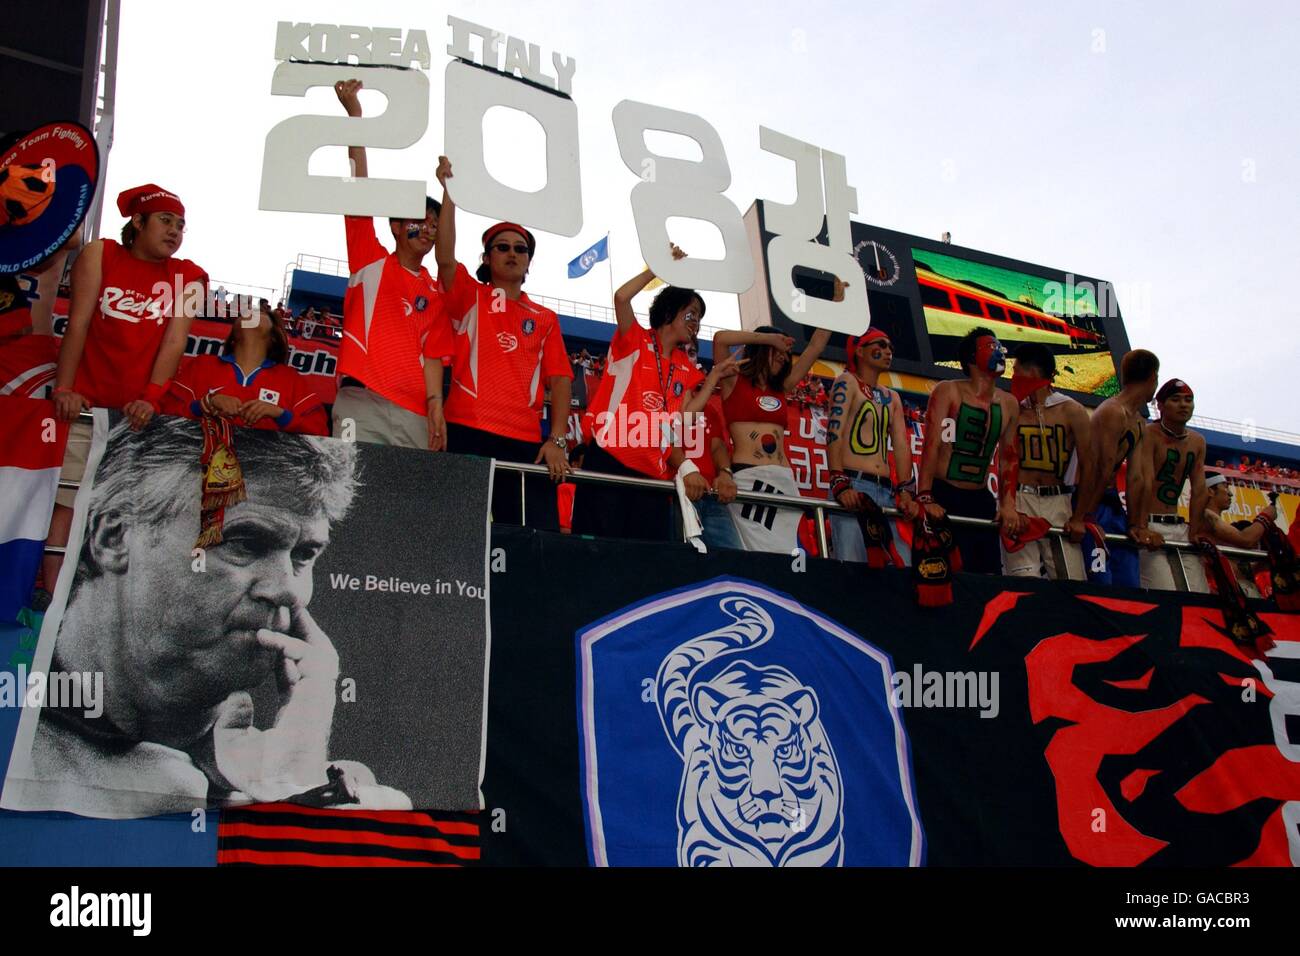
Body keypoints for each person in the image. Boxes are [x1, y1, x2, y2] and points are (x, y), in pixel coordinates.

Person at [10, 416, 409, 816]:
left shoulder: (338, 786)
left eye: (303, 555)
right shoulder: (12, 724)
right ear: (113, 536)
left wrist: (296, 782)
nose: (289, 589)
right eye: (245, 541)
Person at [46, 184, 207, 591]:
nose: (175, 231)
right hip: (87, 409)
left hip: (142, 422)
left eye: (181, 225)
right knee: (65, 504)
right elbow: (78, 323)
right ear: (137, 222)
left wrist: (150, 398)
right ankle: (47, 599)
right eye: (166, 220)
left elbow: (176, 341)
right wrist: (64, 388)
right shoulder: (101, 254)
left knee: (127, 519)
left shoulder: (190, 276)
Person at [431, 155, 573, 528]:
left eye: (520, 249)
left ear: (529, 262)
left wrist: (556, 440)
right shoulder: (470, 296)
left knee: (529, 541)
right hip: (466, 431)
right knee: (456, 534)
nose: (512, 253)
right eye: (502, 247)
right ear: (487, 257)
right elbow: (445, 259)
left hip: (525, 442)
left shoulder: (545, 318)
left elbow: (560, 381)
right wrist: (450, 194)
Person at [576, 246, 730, 540]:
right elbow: (621, 297)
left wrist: (713, 379)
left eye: (699, 318)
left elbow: (683, 420)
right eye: (691, 314)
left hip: (653, 474)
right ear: (670, 312)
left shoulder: (685, 365)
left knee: (644, 561)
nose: (696, 323)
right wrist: (656, 270)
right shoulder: (633, 338)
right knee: (599, 552)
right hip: (610, 459)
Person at [332, 79, 450, 450]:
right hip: (361, 404)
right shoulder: (369, 258)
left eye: (434, 224)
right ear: (397, 226)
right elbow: (357, 187)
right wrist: (355, 117)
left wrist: (434, 406)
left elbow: (433, 354)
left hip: (415, 413)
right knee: (351, 497)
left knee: (405, 506)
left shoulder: (435, 290)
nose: (428, 230)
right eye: (420, 220)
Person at [714, 314, 833, 553]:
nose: (783, 355)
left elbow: (816, 346)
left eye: (785, 353)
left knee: (791, 553)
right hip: (748, 479)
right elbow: (720, 340)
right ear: (760, 349)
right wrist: (769, 338)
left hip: (784, 480)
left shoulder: (783, 386)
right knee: (757, 555)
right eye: (776, 350)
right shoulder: (733, 380)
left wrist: (836, 305)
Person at [915, 327, 1022, 573]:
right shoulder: (948, 390)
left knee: (987, 575)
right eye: (992, 347)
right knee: (944, 573)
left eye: (1000, 348)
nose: (1000, 353)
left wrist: (1008, 504)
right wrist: (925, 494)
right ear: (972, 357)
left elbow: (1009, 457)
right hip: (945, 495)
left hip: (981, 498)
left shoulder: (1009, 403)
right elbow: (933, 443)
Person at [1000, 342, 1093, 580]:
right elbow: (1006, 459)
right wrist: (1007, 506)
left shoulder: (1072, 410)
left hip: (1059, 500)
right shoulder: (1013, 408)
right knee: (1022, 578)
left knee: (1070, 579)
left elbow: (1089, 465)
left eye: (1016, 369)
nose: (1013, 375)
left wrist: (1079, 517)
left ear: (1030, 372)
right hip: (1021, 498)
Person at [166, 300, 328, 435]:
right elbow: (164, 414)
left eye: (262, 315)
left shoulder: (291, 378)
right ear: (234, 337)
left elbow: (320, 432)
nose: (254, 313)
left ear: (273, 339)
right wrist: (205, 404)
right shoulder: (201, 364)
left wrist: (280, 414)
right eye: (247, 314)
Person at [826, 327, 916, 565]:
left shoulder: (892, 397)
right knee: (853, 568)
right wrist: (839, 481)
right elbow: (834, 431)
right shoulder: (846, 382)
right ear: (859, 350)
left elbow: (901, 446)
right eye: (881, 345)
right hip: (854, 487)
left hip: (887, 492)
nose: (888, 351)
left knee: (899, 568)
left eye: (890, 347)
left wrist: (906, 490)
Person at [1074, 348, 1162, 588]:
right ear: (1153, 377)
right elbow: (1099, 468)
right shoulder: (1113, 411)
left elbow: (1139, 477)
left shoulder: (1138, 421)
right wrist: (1084, 515)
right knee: (1100, 580)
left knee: (1128, 582)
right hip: (1088, 497)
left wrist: (1137, 524)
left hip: (1110, 503)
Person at [1135, 378, 1209, 591]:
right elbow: (1144, 480)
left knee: (1199, 593)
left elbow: (1200, 489)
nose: (1184, 405)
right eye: (1176, 400)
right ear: (1160, 405)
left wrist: (1194, 531)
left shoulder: (1197, 441)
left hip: (1179, 525)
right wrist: (1141, 526)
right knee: (1163, 590)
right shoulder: (1148, 433)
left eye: (1189, 400)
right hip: (1150, 523)